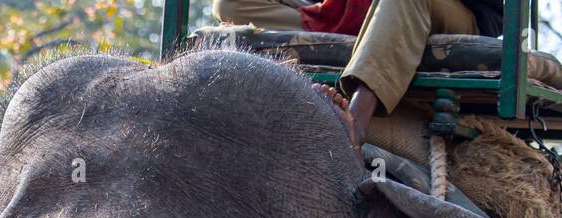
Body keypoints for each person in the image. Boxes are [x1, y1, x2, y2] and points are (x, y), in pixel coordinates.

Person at [214, 0, 504, 150]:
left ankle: (355, 123)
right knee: (230, 5)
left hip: (447, 10)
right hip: (358, 10)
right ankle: (373, 36)